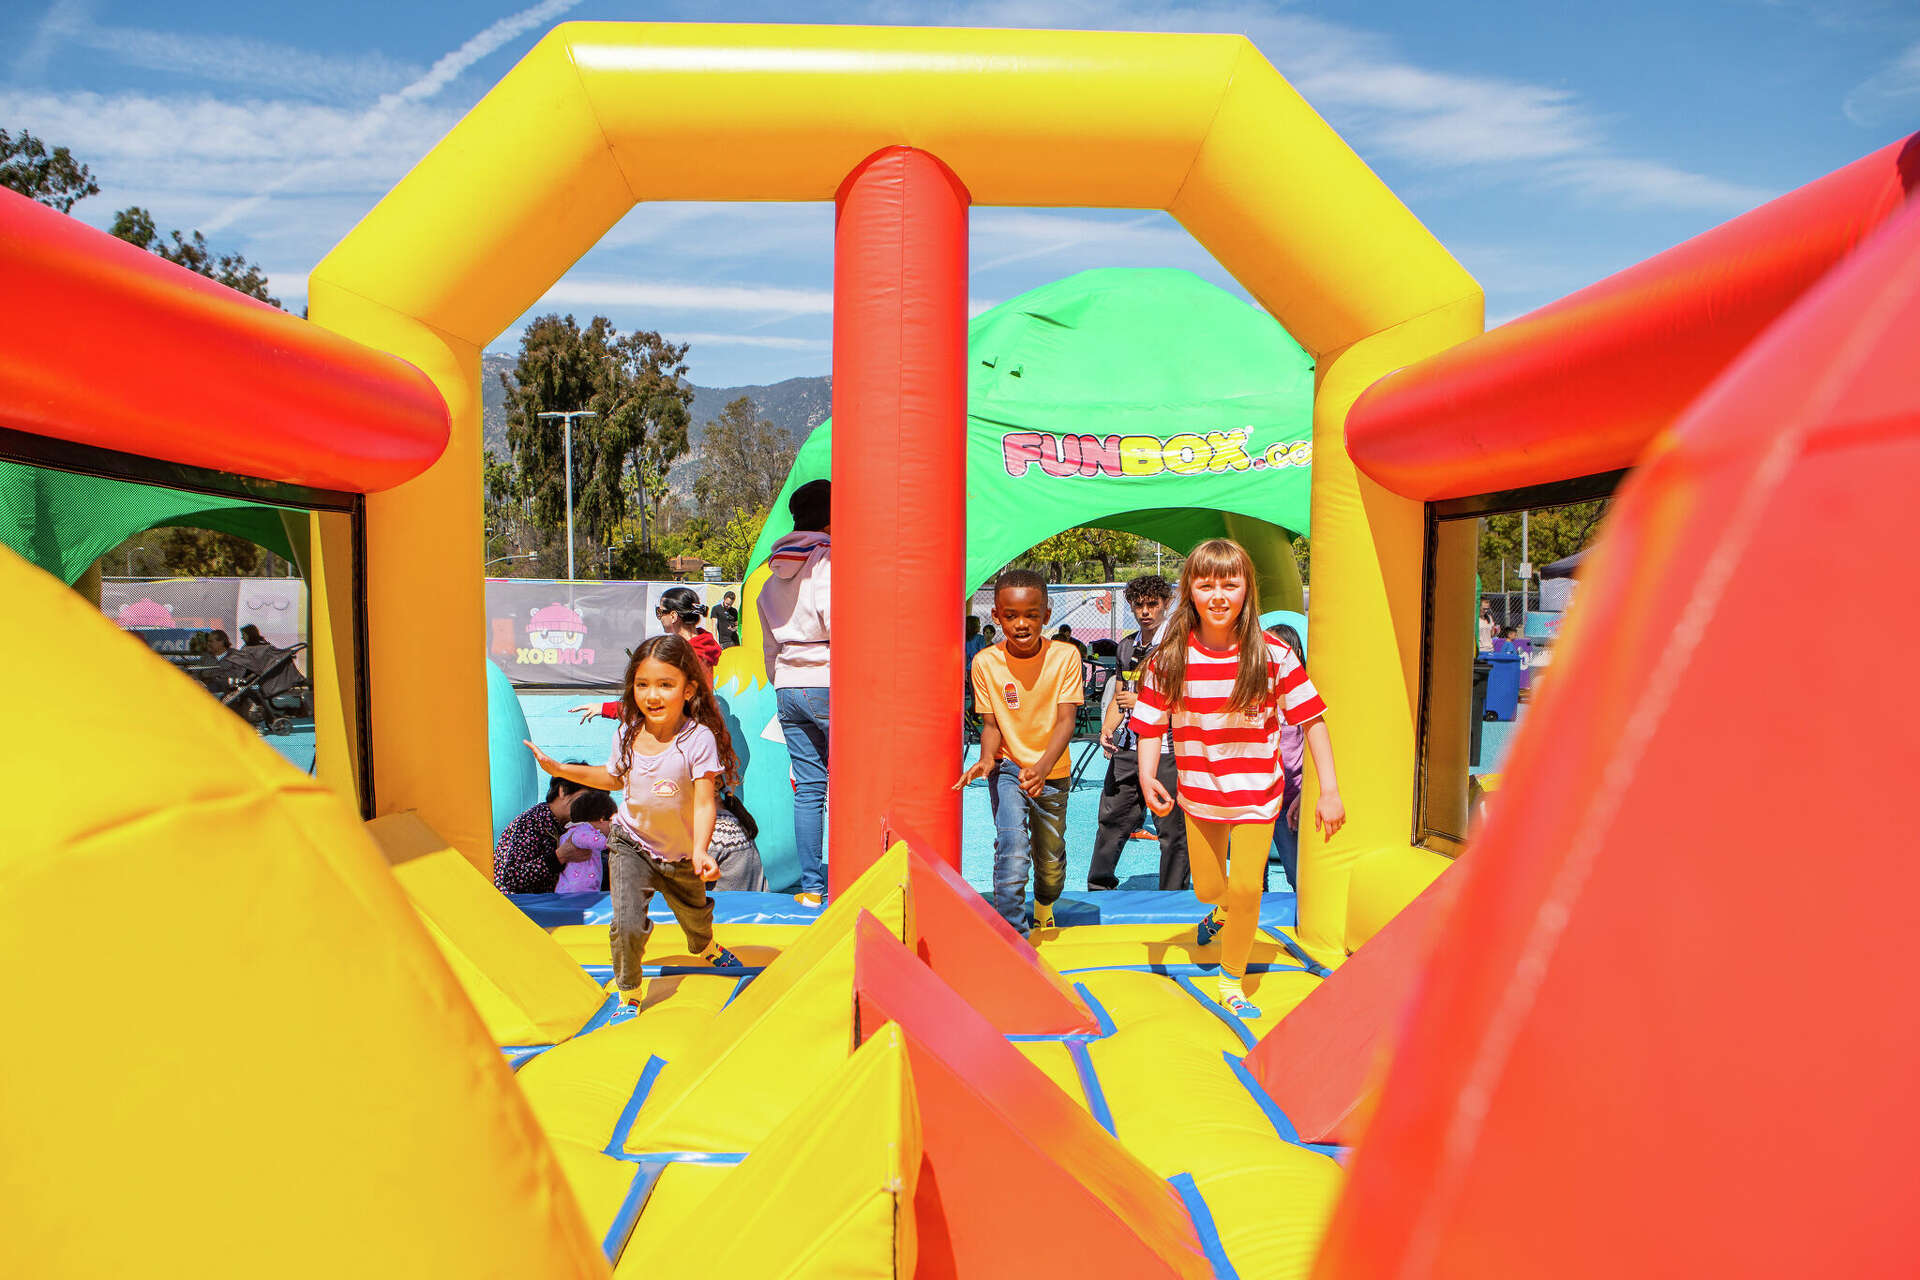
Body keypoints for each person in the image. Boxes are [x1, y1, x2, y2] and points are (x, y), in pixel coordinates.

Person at [1131, 539, 1347, 1020]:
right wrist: (1148, 775)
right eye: (1206, 584)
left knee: (1249, 888)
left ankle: (1232, 978)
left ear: (1248, 589)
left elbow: (1313, 720)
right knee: (1210, 889)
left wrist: (1328, 790)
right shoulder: (1171, 657)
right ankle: (1222, 909)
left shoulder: (1272, 654)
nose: (1219, 595)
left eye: (1231, 583)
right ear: (1189, 591)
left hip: (1257, 792)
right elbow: (1148, 723)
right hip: (1201, 794)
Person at [527, 635, 746, 1005]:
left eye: (665, 685)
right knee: (626, 923)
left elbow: (706, 803)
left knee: (696, 920)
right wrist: (559, 768)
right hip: (631, 844)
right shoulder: (627, 734)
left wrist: (699, 851)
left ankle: (704, 944)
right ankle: (629, 990)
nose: (652, 696)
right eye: (642, 685)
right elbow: (613, 778)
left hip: (680, 855)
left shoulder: (698, 740)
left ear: (689, 690)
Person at [954, 569, 1082, 935]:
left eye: (1031, 615)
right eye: (1011, 616)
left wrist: (1042, 768)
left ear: (1046, 613)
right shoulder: (985, 663)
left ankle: (1044, 903)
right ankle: (1012, 933)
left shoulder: (1065, 657)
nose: (1021, 624)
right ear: (996, 616)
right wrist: (984, 759)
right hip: (1008, 767)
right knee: (1011, 845)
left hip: (1052, 770)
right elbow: (992, 726)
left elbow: (1065, 722)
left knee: (1051, 860)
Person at [1088, 574, 1188, 892]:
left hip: (1166, 749)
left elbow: (1186, 701)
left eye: (1152, 604)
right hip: (1127, 747)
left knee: (1171, 827)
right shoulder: (1127, 645)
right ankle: (1099, 888)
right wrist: (1107, 729)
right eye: (1138, 604)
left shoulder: (1178, 648)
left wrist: (1142, 702)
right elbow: (1120, 694)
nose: (1145, 611)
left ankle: (1171, 896)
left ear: (1166, 604)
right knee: (1111, 819)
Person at [758, 479, 832, 907]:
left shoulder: (773, 572)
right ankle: (849, 873)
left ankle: (810, 888)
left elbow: (769, 646)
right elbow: (836, 618)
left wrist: (782, 679)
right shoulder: (826, 561)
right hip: (828, 678)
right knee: (845, 785)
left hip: (788, 683)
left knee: (808, 788)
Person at [494, 774, 588, 893]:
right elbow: (511, 878)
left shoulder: (563, 825)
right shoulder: (532, 822)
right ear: (563, 791)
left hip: (544, 902)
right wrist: (559, 857)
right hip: (516, 904)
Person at [1269, 624, 1309, 893]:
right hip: (1257, 799)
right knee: (1247, 878)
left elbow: (1313, 749)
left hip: (1290, 798)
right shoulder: (1259, 693)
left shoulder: (1303, 695)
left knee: (1298, 873)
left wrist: (1305, 792)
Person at [554, 789, 617, 894]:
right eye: (612, 821)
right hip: (575, 892)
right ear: (602, 819)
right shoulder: (580, 831)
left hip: (579, 891)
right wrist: (615, 841)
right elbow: (585, 840)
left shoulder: (575, 830)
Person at [657, 586, 722, 669]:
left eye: (660, 611)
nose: (659, 617)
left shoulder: (682, 656)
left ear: (673, 616)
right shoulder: (708, 645)